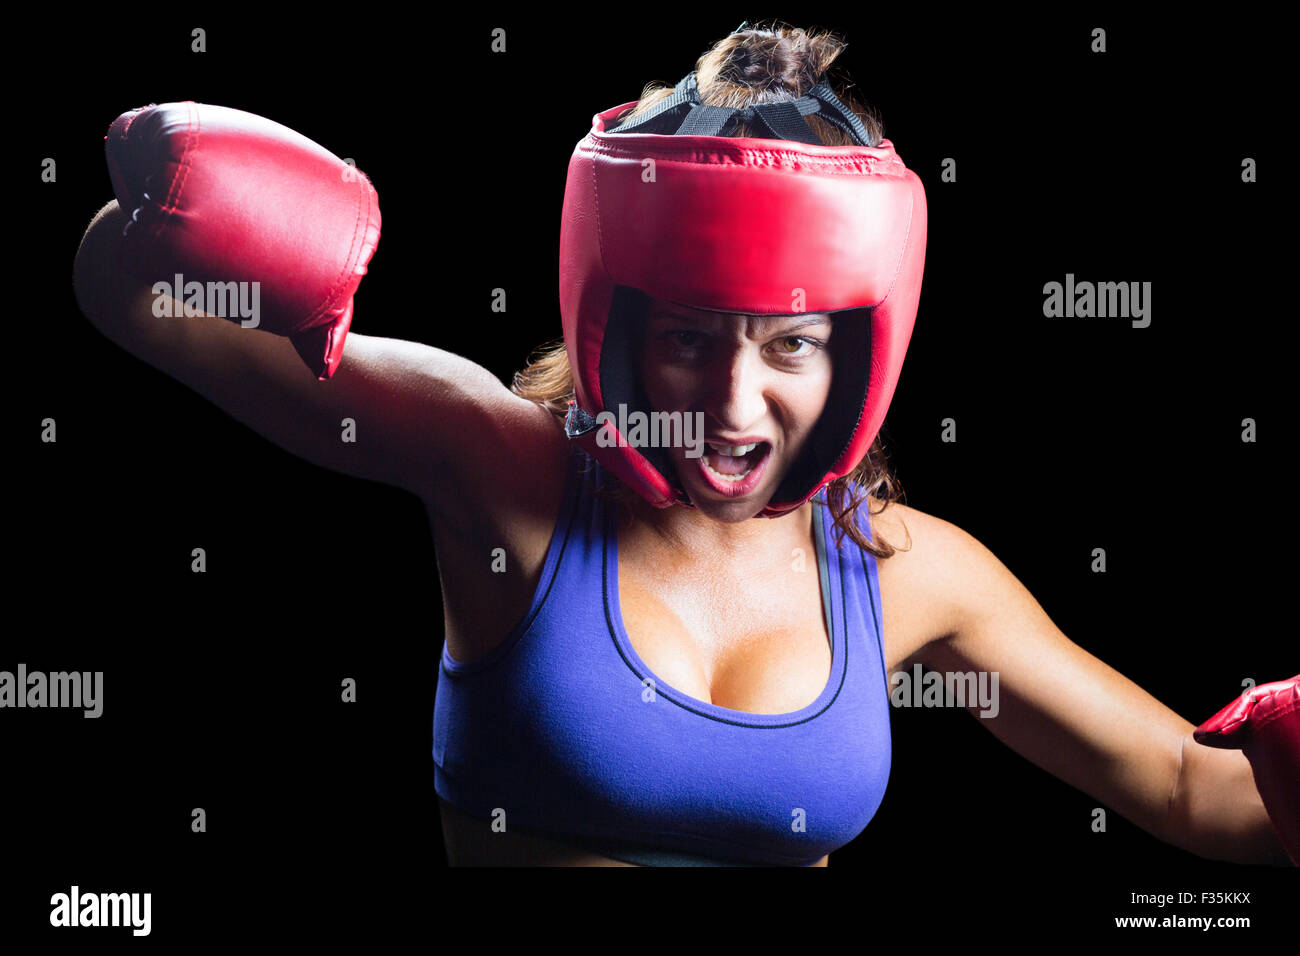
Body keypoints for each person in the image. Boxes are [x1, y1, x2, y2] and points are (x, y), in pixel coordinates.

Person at [72, 21, 1297, 867]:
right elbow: (139, 306)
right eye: (692, 339)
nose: (734, 399)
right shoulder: (497, 465)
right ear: (620, 317)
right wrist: (178, 219)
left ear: (859, 350)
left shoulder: (904, 572)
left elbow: (1198, 790)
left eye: (790, 345)